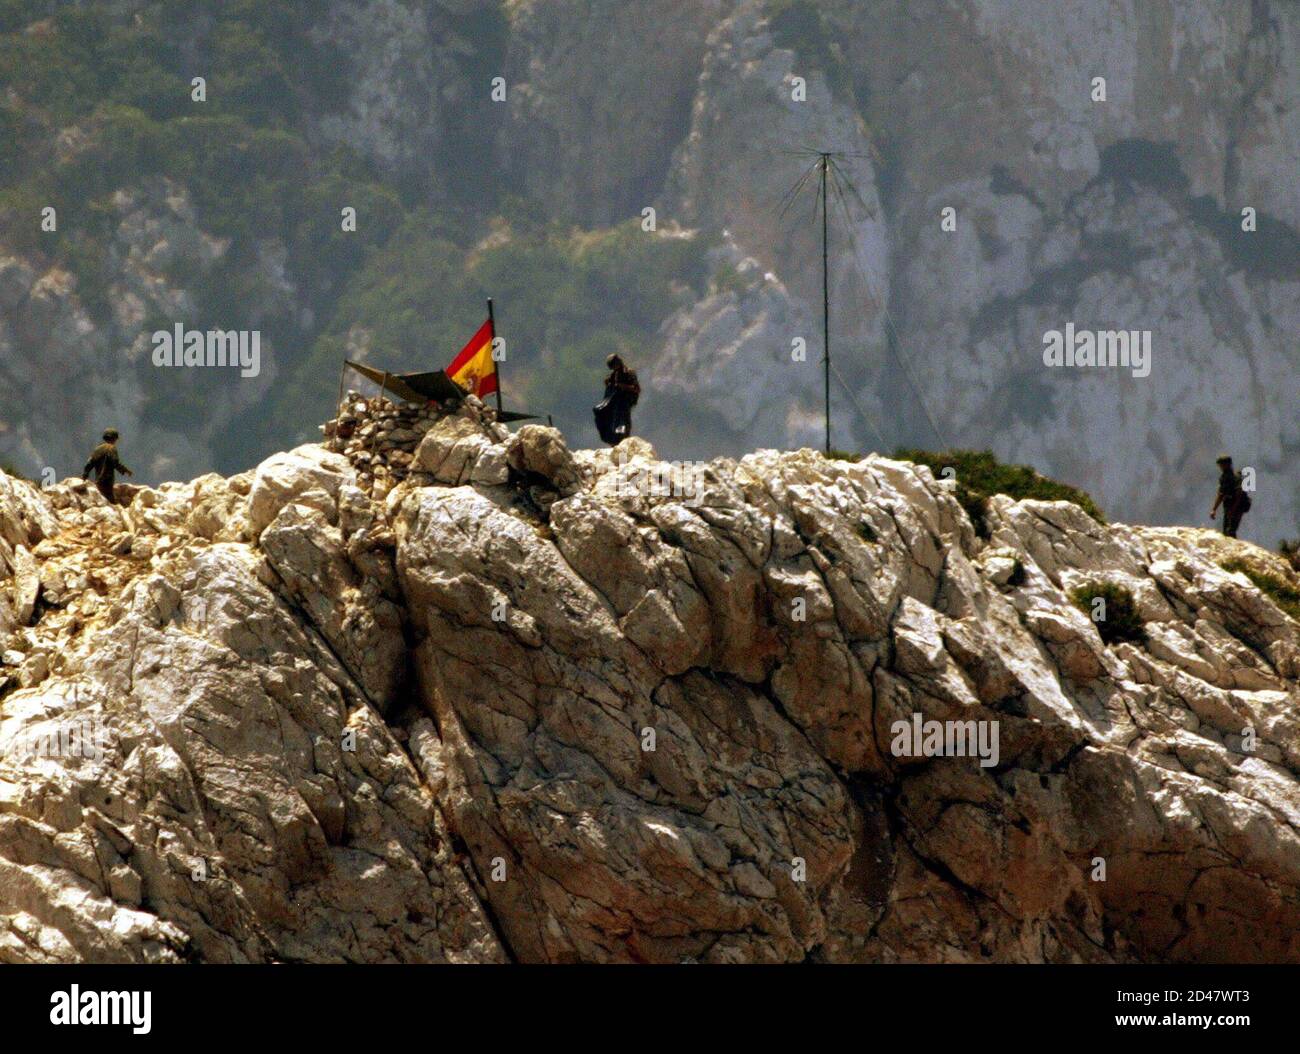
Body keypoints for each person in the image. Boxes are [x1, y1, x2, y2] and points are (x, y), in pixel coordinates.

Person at [593, 354, 640, 446]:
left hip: (625, 403)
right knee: (608, 420)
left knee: (623, 425)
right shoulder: (614, 375)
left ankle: (623, 445)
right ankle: (614, 443)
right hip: (615, 404)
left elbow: (636, 389)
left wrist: (622, 386)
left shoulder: (629, 373)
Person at [83, 428, 133, 505]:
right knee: (110, 501)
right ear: (114, 438)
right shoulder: (111, 448)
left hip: (98, 480)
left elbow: (89, 463)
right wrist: (126, 470)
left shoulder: (98, 449)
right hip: (107, 479)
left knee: (100, 498)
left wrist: (85, 475)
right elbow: (115, 463)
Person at [1210, 454, 1250, 538]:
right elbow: (1221, 494)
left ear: (1227, 465)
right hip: (1228, 506)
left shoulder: (1236, 477)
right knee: (1226, 531)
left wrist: (1233, 509)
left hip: (1238, 506)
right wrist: (1214, 509)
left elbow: (1239, 494)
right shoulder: (1223, 478)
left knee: (1231, 530)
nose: (1220, 467)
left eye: (1222, 465)